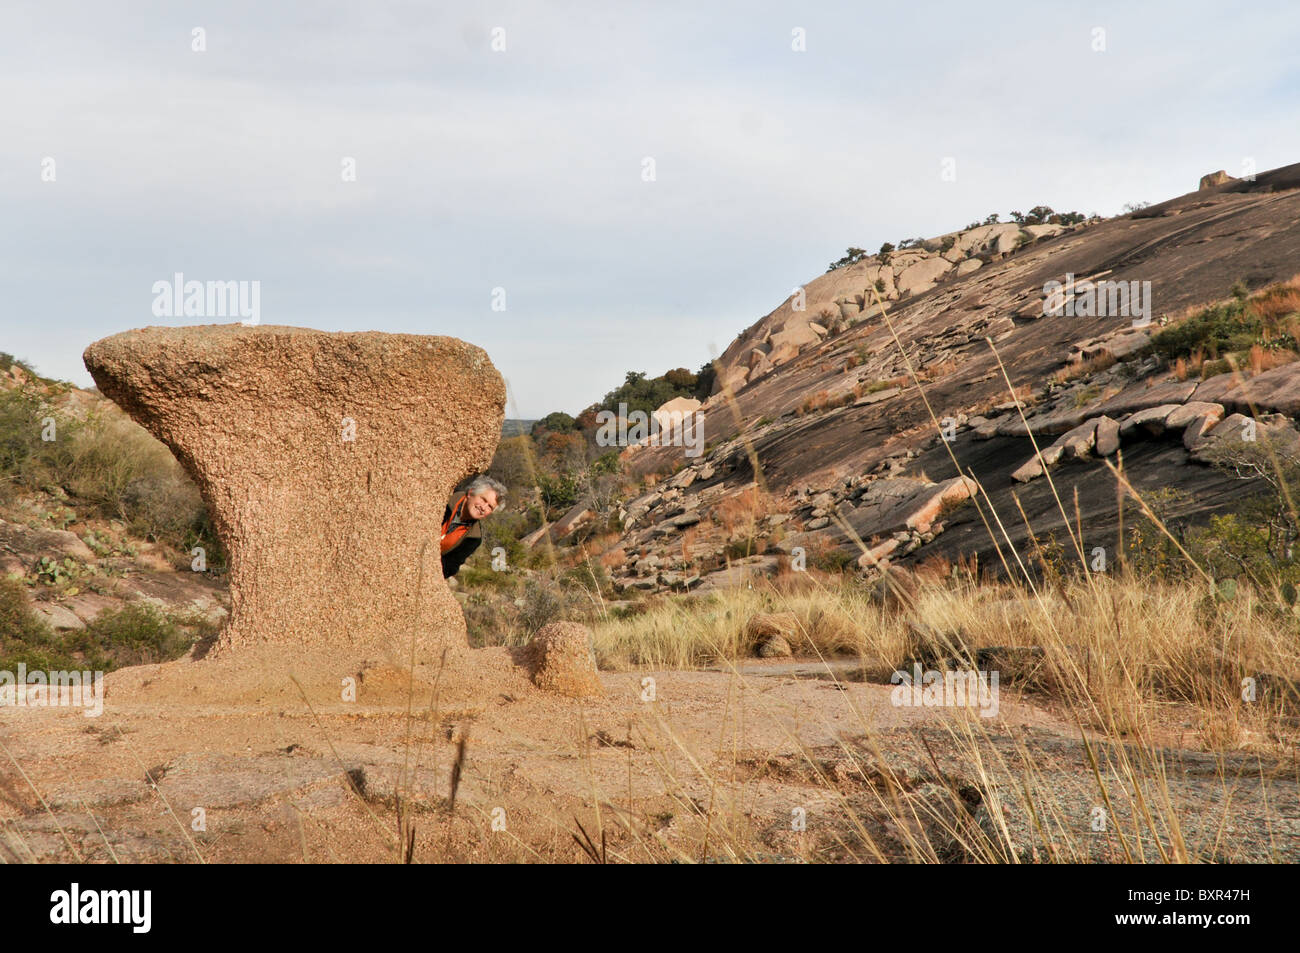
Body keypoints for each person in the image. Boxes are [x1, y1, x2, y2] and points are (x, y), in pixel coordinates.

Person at [440, 475, 506, 580]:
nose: (483, 508)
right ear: (470, 493)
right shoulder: (443, 499)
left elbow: (450, 567)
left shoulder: (474, 538)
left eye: (490, 507)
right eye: (483, 500)